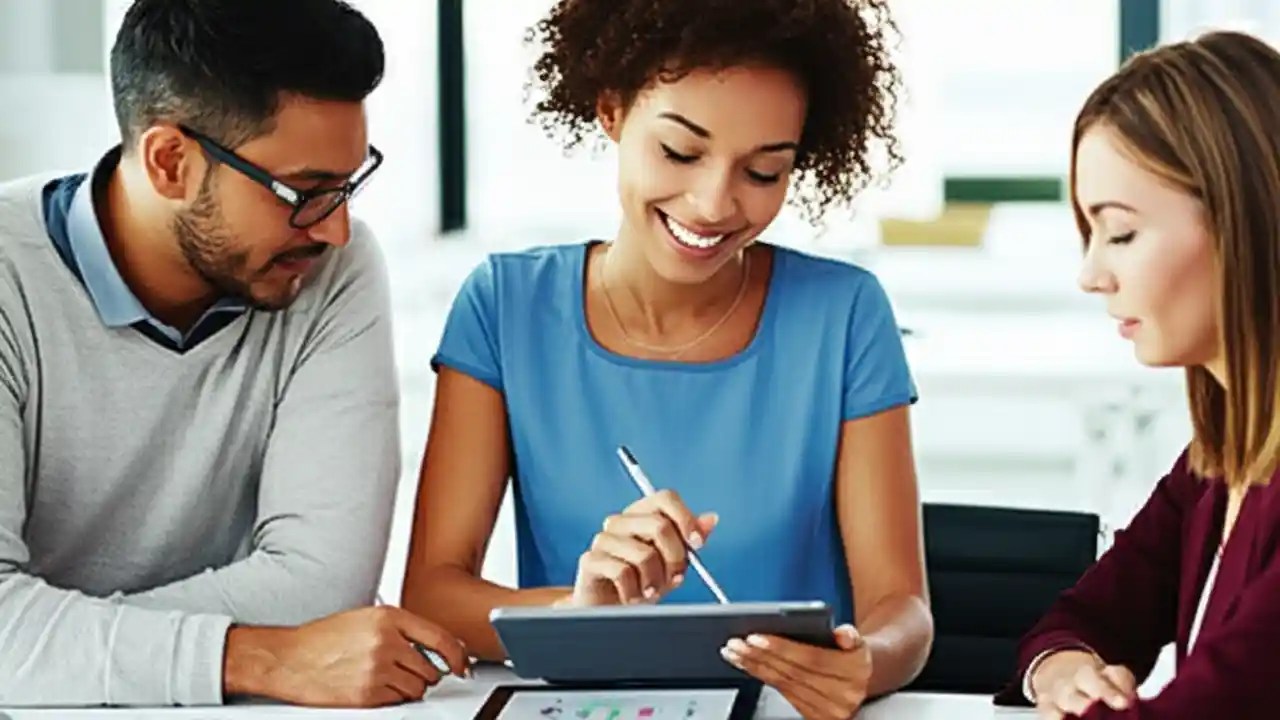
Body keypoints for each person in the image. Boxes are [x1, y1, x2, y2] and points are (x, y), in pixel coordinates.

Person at [402, 0, 933, 716]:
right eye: (680, 153)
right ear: (611, 111)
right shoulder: (506, 306)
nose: (715, 203)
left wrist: (866, 663)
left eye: (765, 171)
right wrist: (578, 610)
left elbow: (902, 608)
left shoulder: (844, 315)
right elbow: (433, 592)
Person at [0, 0, 466, 708]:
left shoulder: (328, 270)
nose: (337, 227)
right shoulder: (11, 277)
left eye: (349, 184)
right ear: (170, 162)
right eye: (305, 193)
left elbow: (323, 586)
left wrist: (56, 643)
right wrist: (260, 657)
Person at [992, 30, 1280, 719]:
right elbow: (1081, 617)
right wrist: (1061, 670)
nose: (1092, 275)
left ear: (1245, 216)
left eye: (1119, 233)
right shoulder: (1218, 461)